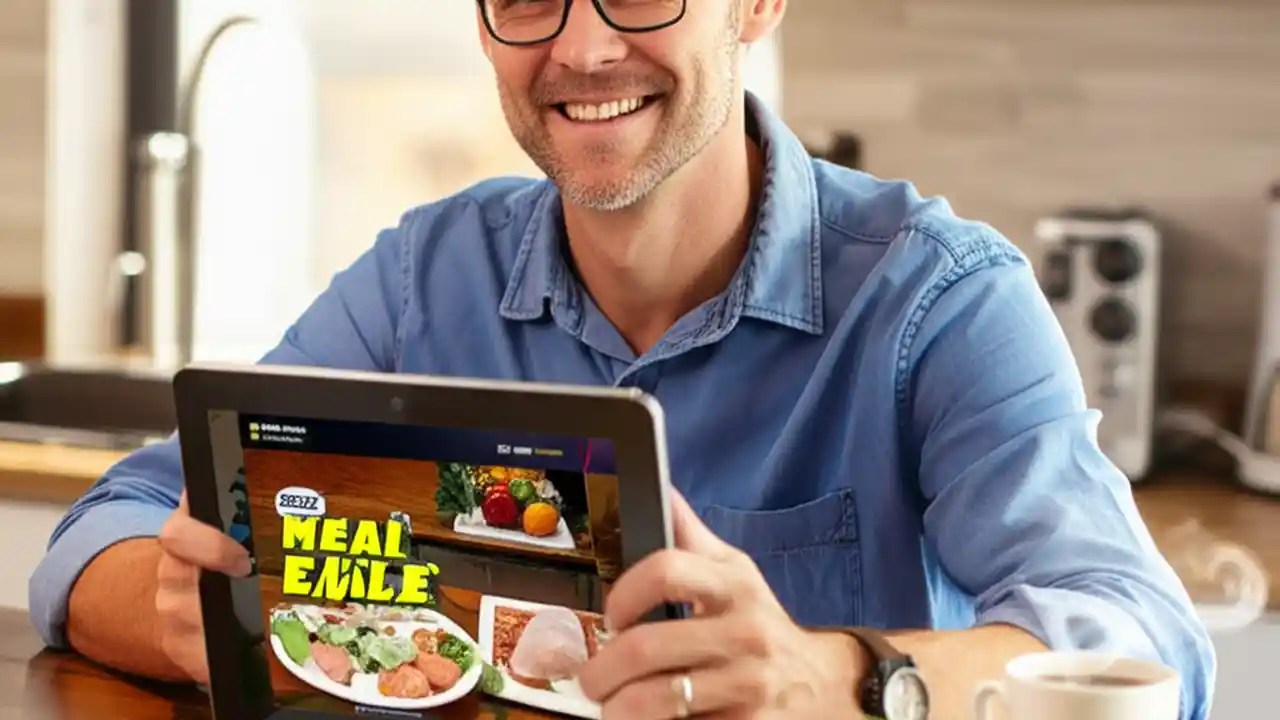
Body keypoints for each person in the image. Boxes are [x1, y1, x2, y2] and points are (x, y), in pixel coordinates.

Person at [29, 1, 1214, 718]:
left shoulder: (937, 300)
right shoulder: (419, 280)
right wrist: (176, 616)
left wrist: (840, 678)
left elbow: (1140, 640)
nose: (581, 49)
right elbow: (118, 517)